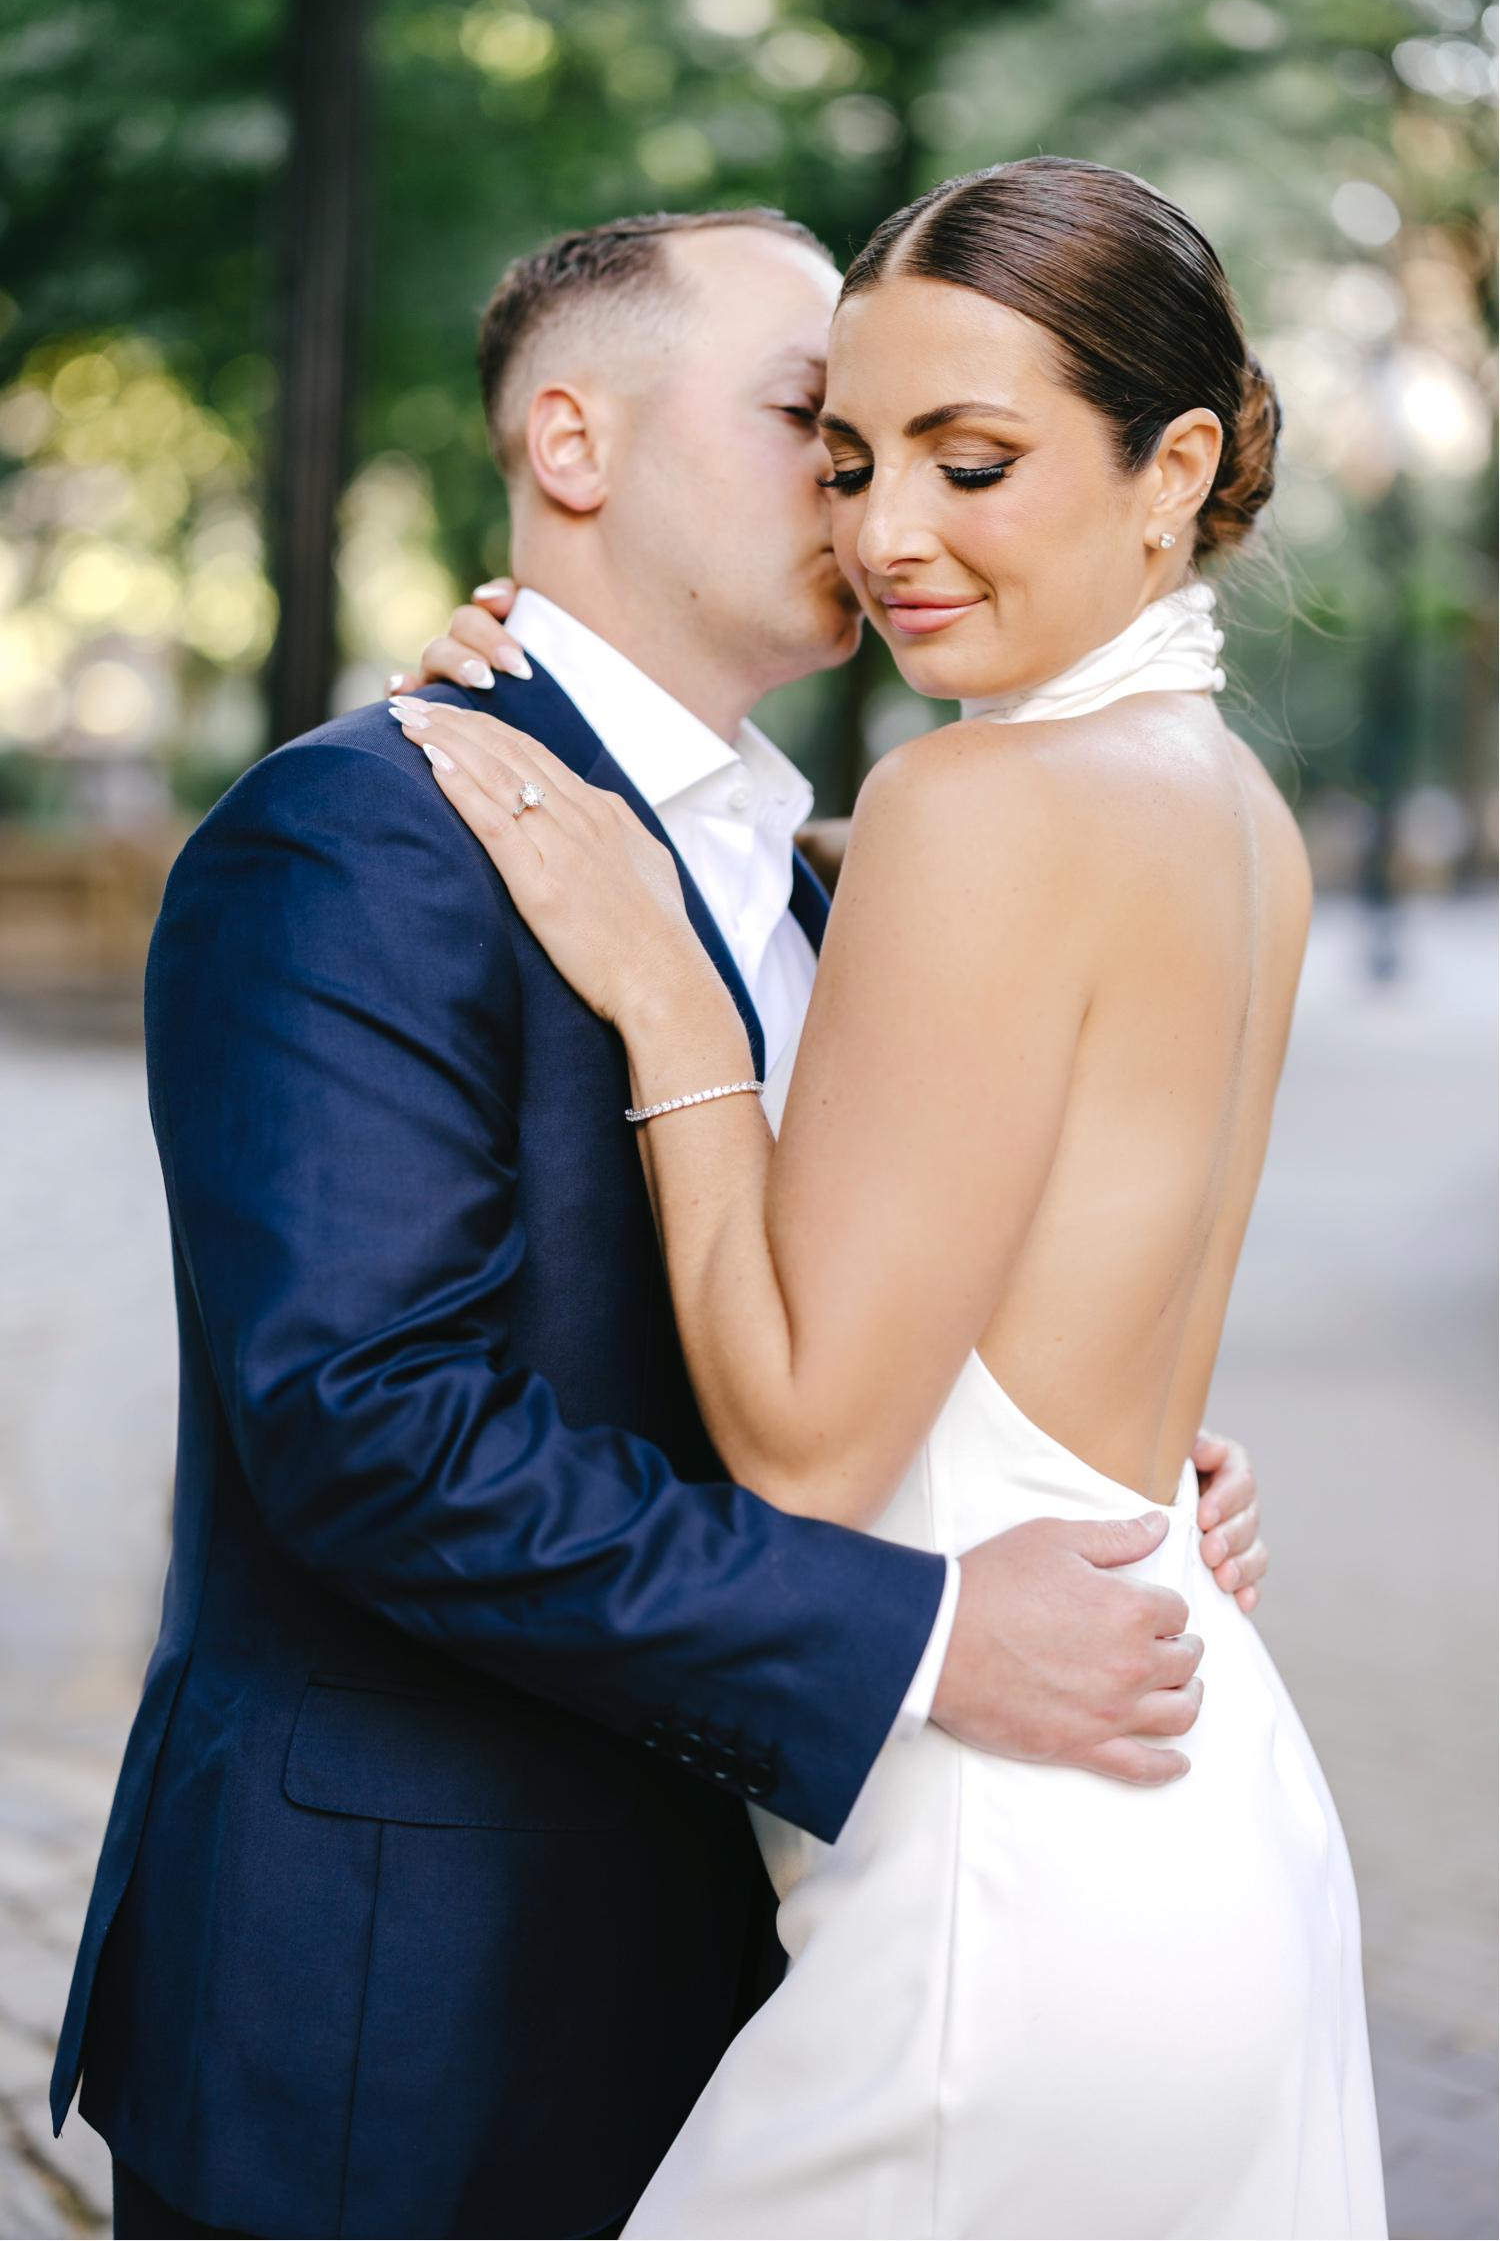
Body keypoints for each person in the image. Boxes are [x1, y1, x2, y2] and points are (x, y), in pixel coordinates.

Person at [53, 206, 1267, 2241]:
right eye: (818, 419)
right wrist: (940, 1635)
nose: (869, 495)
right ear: (573, 445)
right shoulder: (355, 837)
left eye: (902, 438)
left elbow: (843, 1317)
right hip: (407, 1999)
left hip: (764, 1969)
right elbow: (370, 1431)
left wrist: (1092, 1463)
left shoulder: (827, 880)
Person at [389, 162, 1386, 2239]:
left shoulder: (977, 809)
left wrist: (665, 970)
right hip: (1196, 1830)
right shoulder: (1231, 811)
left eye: (973, 458)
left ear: (1171, 464)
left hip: (999, 1902)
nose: (888, 533)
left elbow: (812, 1440)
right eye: (846, 459)